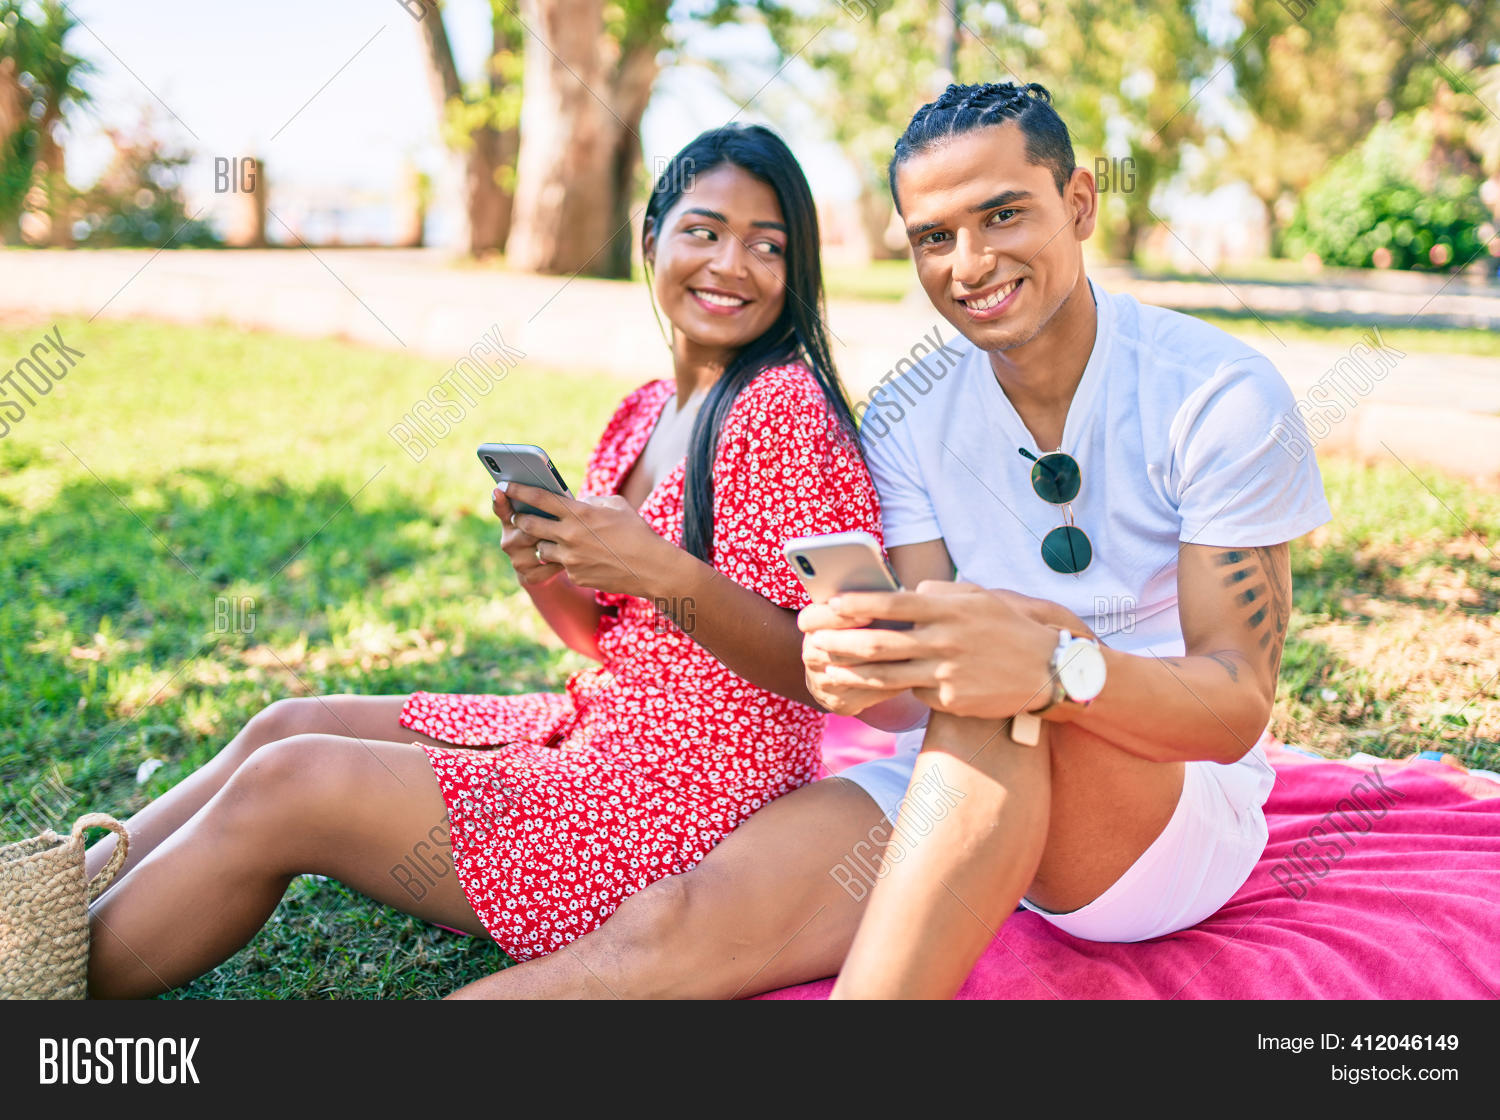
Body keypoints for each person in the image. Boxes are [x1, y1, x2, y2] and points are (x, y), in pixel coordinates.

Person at [448, 81, 1331, 1000]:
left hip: (1163, 803)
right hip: (952, 770)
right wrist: (861, 674)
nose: (972, 262)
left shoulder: (1220, 396)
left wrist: (1056, 667)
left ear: (1078, 204)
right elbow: (909, 706)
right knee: (678, 922)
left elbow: (1234, 713)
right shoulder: (911, 416)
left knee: (995, 672)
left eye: (1002, 215)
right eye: (934, 237)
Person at [83, 123, 883, 996]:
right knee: (284, 722)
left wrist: (657, 566)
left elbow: (826, 673)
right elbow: (599, 641)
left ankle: (44, 981)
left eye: (768, 247)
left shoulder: (784, 411)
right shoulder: (645, 409)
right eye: (704, 231)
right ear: (650, 238)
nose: (731, 264)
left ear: (797, 270)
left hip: (685, 811)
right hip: (595, 731)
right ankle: (52, 903)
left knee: (292, 779)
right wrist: (546, 568)